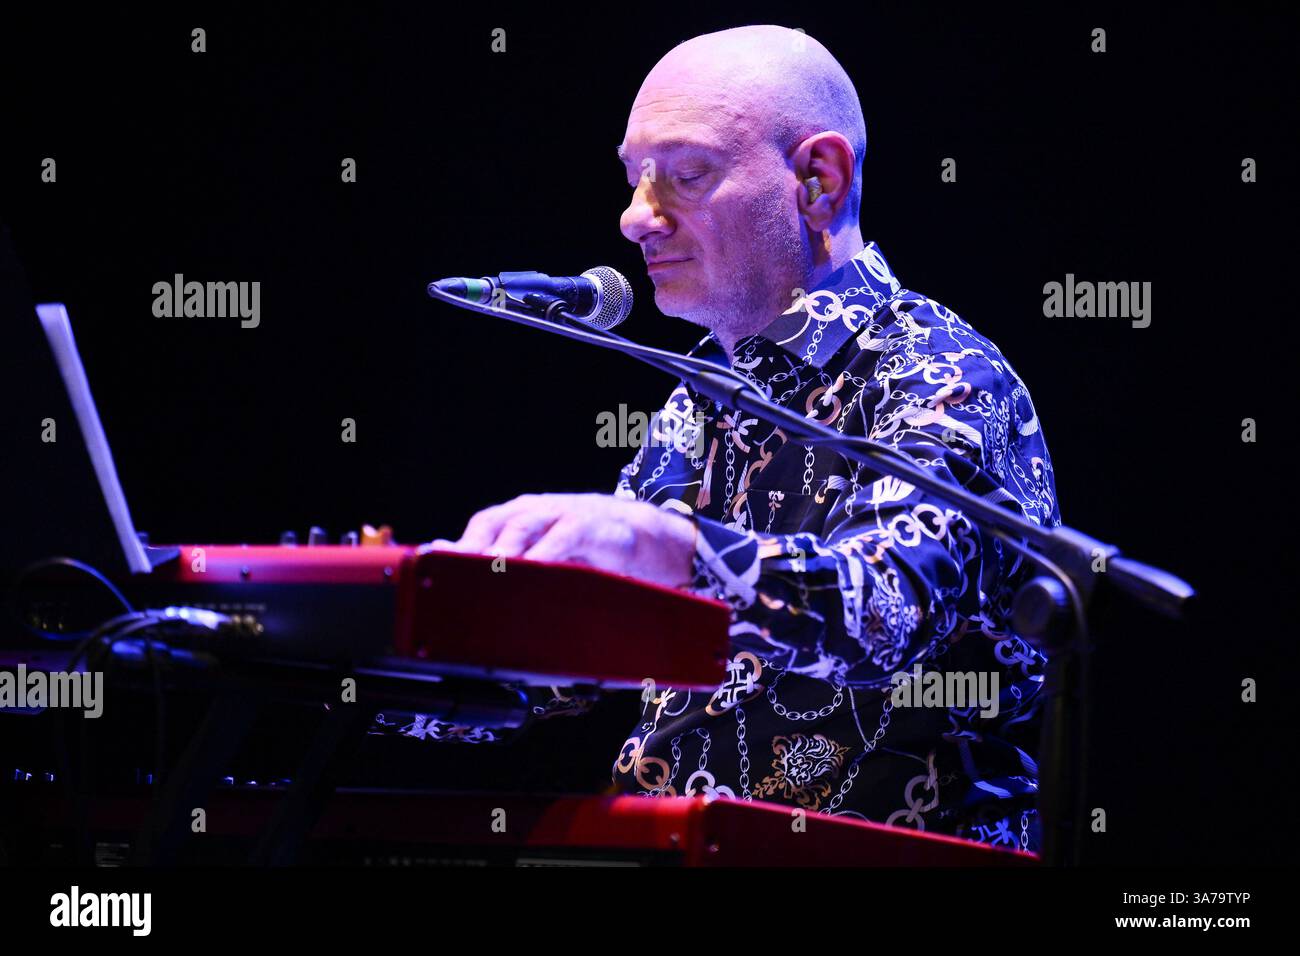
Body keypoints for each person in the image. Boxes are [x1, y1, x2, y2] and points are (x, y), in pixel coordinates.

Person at [397, 24, 1060, 853]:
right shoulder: (703, 396)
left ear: (819, 179)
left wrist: (659, 544)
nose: (636, 218)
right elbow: (574, 661)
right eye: (633, 178)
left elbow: (882, 607)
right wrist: (378, 649)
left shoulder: (942, 373)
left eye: (686, 174)